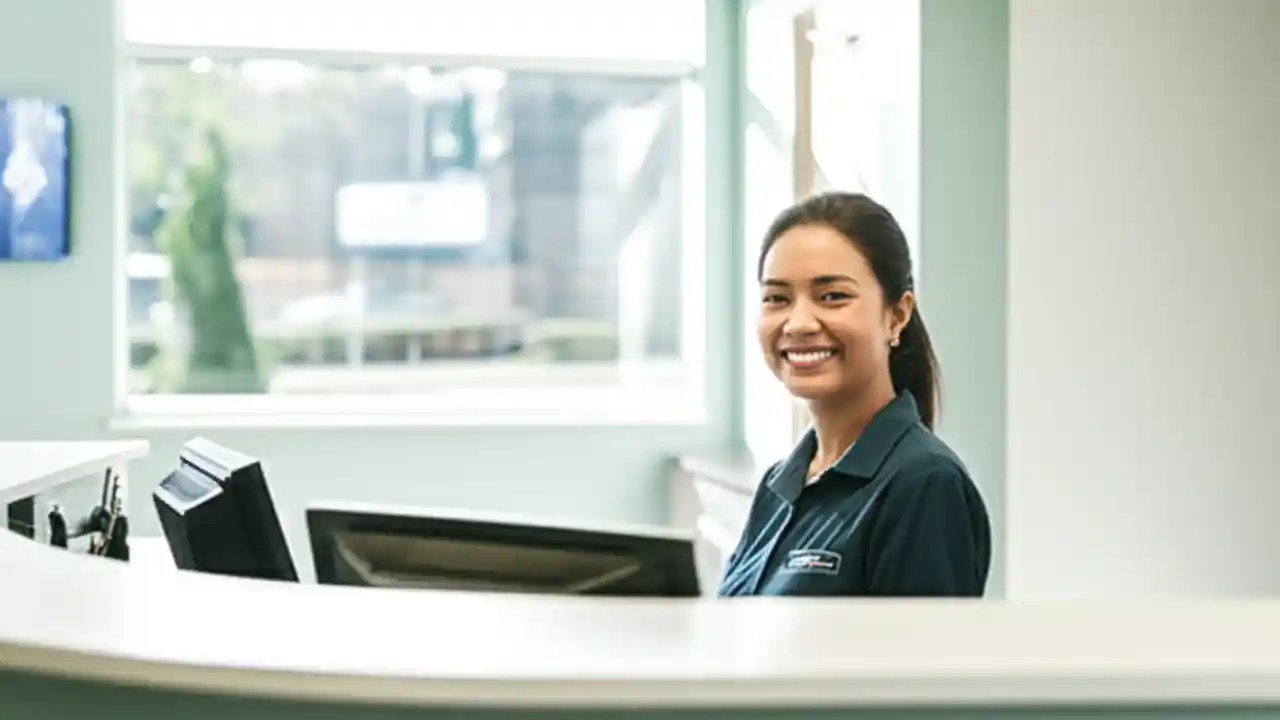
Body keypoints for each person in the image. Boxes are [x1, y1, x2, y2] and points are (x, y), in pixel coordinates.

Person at [717, 192, 991, 597]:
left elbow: (925, 657)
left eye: (832, 297)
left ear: (896, 315)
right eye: (777, 298)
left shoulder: (925, 485)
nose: (799, 322)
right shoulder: (780, 483)